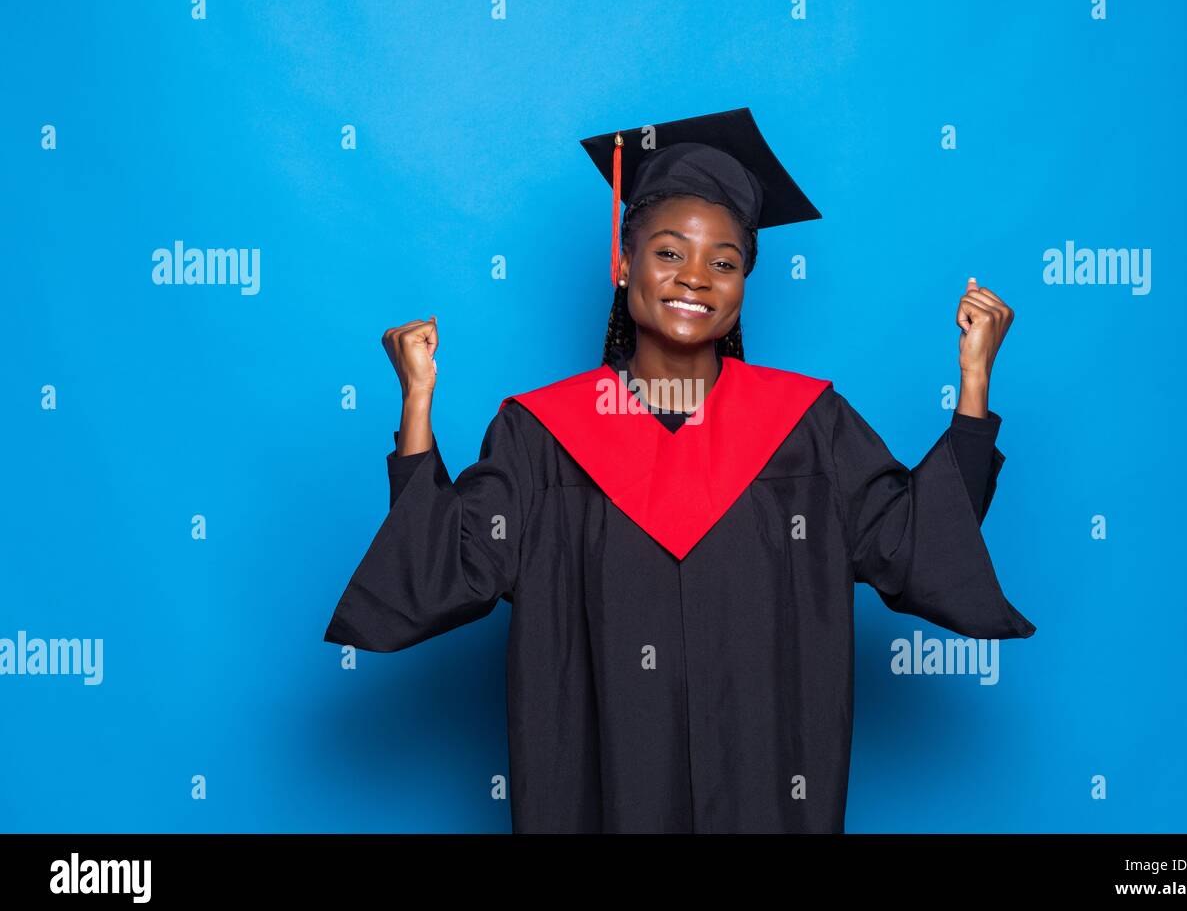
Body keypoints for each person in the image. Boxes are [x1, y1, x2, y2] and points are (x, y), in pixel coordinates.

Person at [323, 107, 1036, 833]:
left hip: (767, 784)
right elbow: (448, 567)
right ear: (623, 262)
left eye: (723, 262)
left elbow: (914, 543)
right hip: (598, 793)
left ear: (743, 284)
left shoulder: (808, 426)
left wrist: (973, 384)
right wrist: (416, 403)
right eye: (669, 253)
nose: (695, 278)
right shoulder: (542, 435)